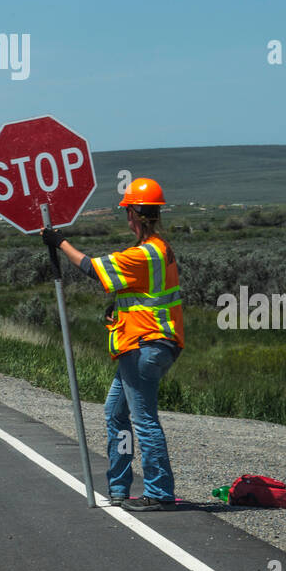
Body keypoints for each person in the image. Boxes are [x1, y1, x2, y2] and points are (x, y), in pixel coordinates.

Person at [42, 178, 183, 511]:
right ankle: (119, 487)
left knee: (144, 419)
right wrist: (118, 309)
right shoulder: (162, 249)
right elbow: (144, 295)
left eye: (128, 212)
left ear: (134, 213)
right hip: (149, 344)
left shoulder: (143, 253)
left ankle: (159, 493)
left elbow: (93, 268)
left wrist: (60, 242)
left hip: (145, 347)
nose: (128, 219)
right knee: (116, 413)